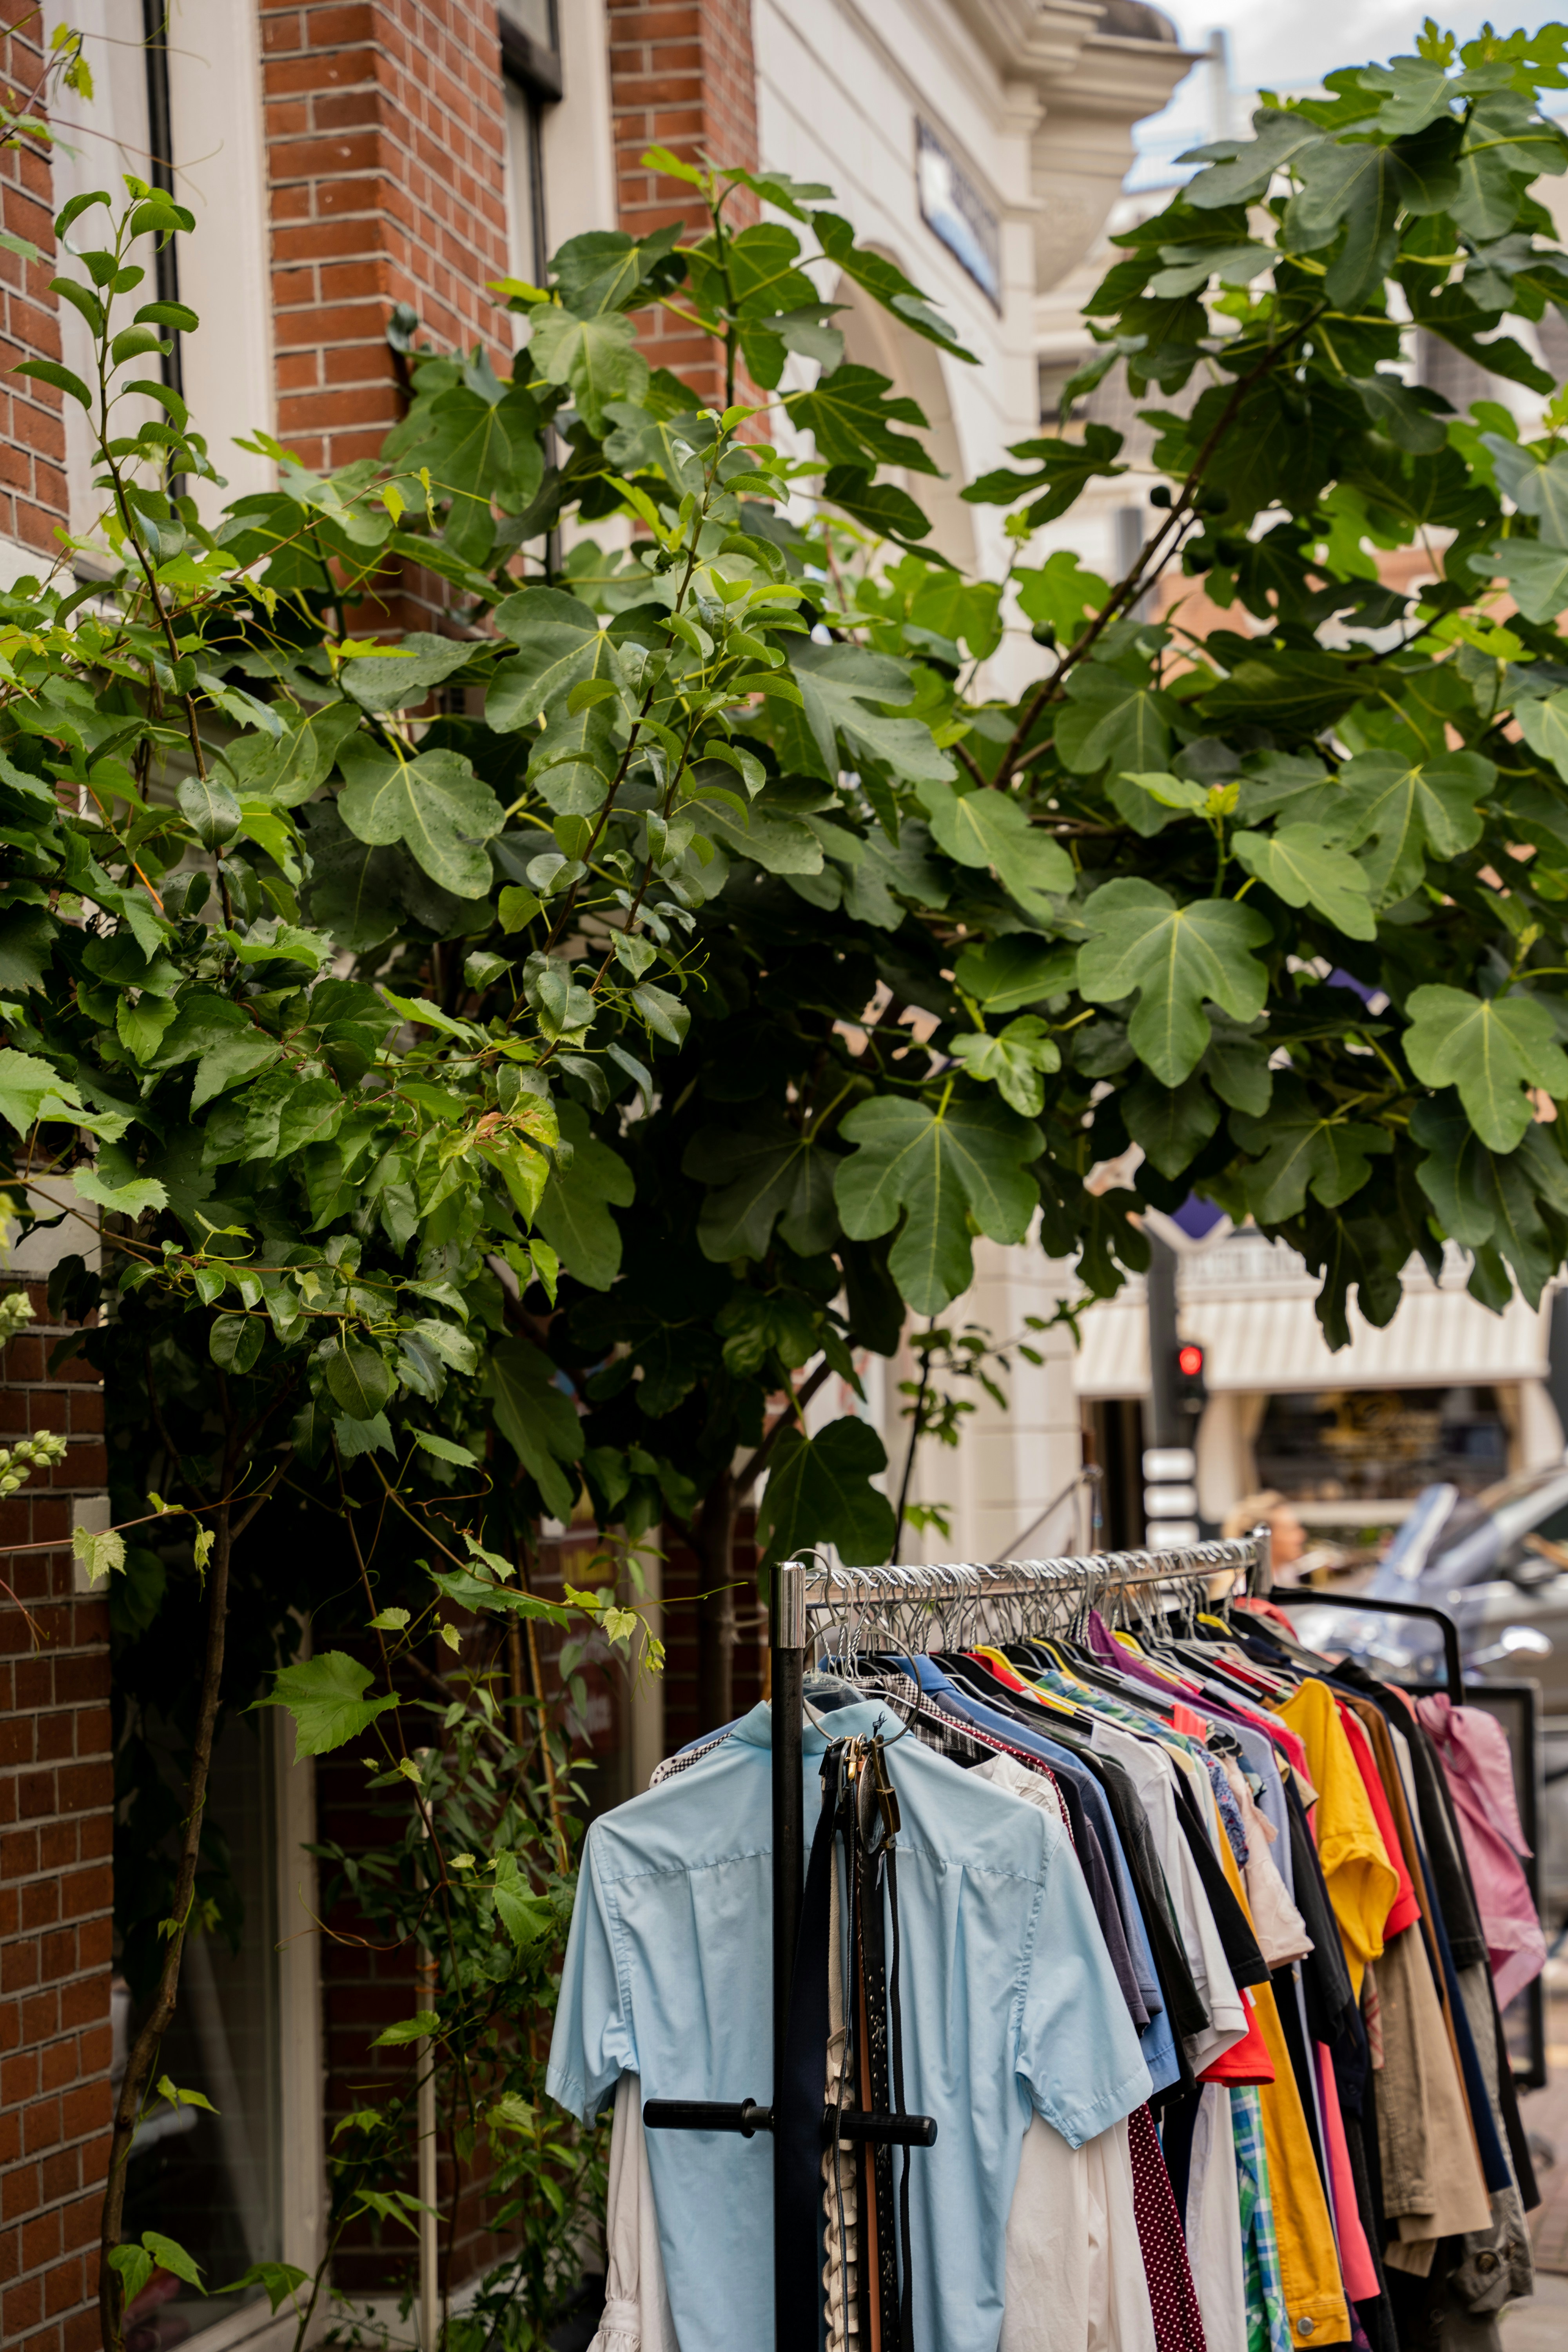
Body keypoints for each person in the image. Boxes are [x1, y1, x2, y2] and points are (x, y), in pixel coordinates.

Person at [1221, 1491, 1307, 1581]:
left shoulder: (1286, 1573)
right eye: (1289, 1530)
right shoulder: (1244, 1585)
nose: (1302, 1537)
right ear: (1262, 1540)